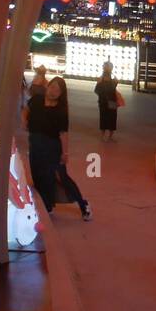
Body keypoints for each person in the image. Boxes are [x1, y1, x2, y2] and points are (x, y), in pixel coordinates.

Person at [25, 76, 92, 221]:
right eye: (52, 87)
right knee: (38, 176)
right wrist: (25, 125)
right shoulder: (36, 100)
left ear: (61, 94)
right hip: (35, 144)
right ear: (47, 86)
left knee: (61, 177)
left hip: (52, 147)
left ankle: (83, 204)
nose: (54, 91)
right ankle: (47, 206)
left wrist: (65, 152)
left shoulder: (60, 111)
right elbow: (26, 111)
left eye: (58, 90)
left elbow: (63, 133)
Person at [94, 61, 120, 142]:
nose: (106, 68)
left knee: (108, 117)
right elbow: (97, 90)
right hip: (108, 100)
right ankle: (107, 136)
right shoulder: (105, 79)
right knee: (109, 117)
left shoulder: (103, 79)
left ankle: (106, 136)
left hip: (106, 101)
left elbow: (96, 90)